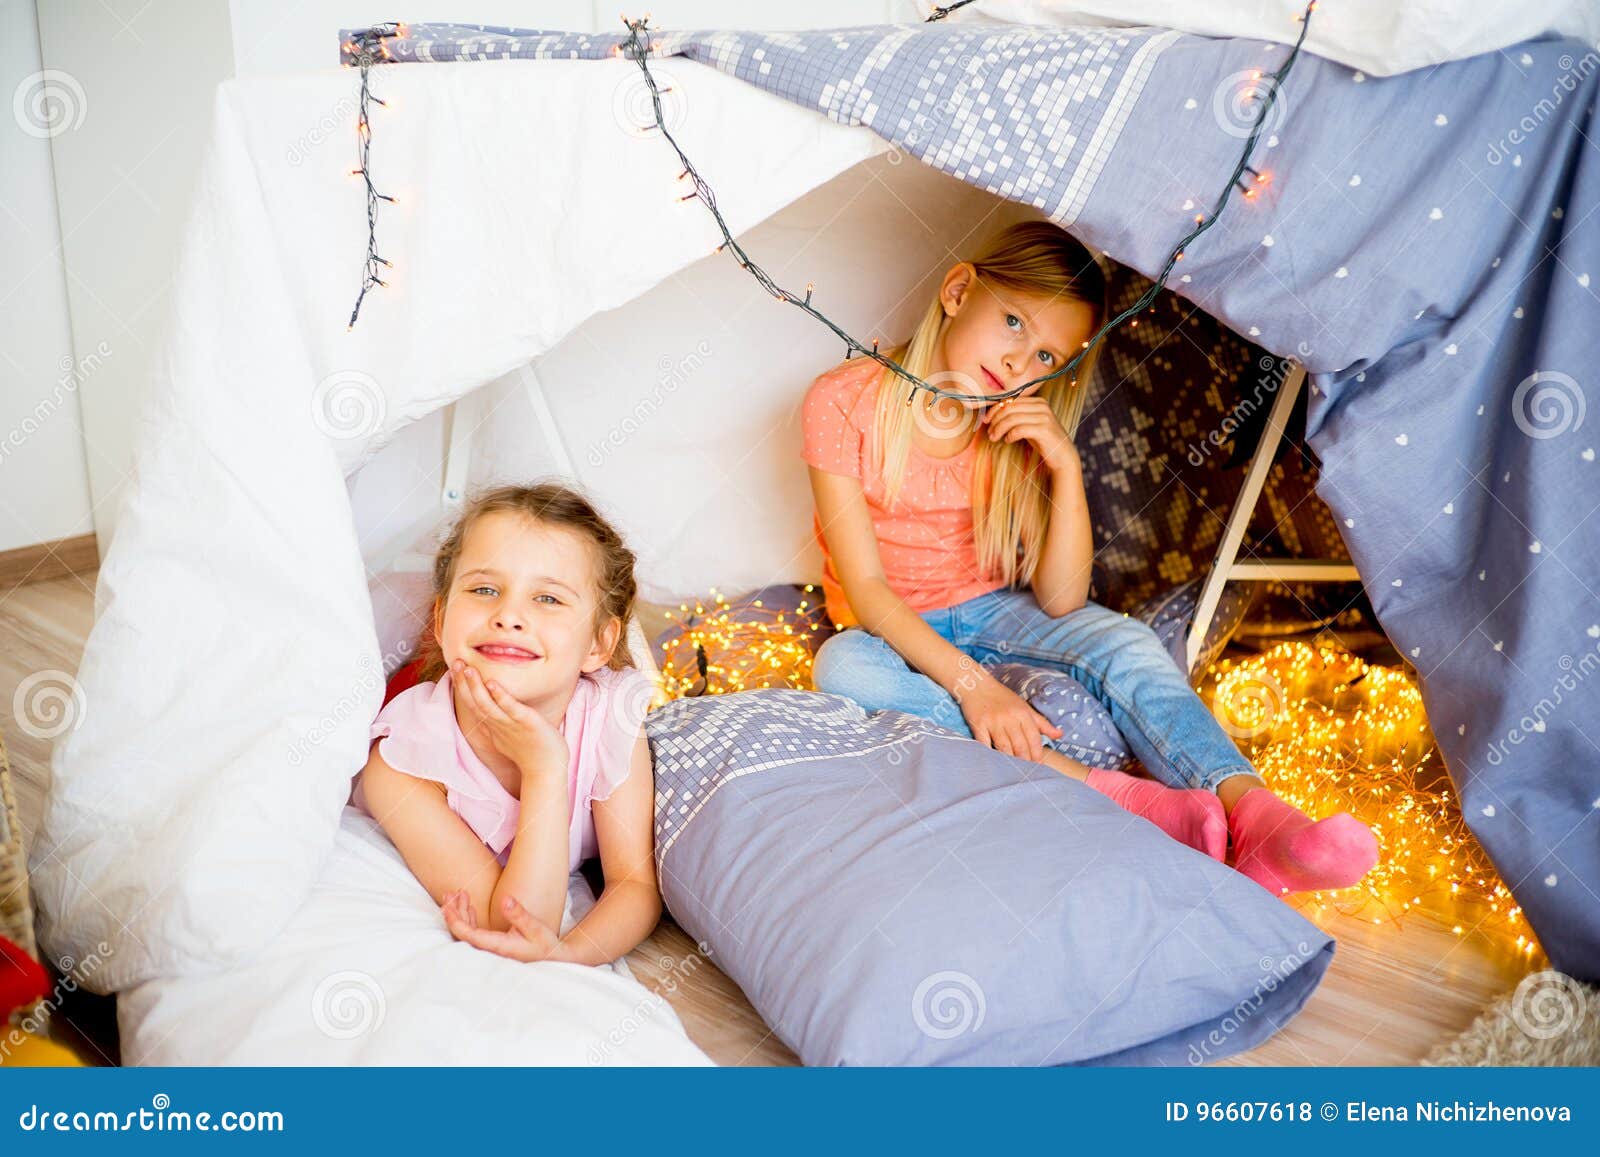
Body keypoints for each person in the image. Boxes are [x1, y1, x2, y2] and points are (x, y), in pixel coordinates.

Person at [802, 220, 1378, 895]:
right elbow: (867, 589)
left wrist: (1064, 467)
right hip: (890, 632)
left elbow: (1062, 600)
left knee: (1126, 639)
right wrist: (975, 687)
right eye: (1014, 322)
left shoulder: (1013, 424)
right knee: (842, 669)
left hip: (993, 610)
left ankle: (1257, 814)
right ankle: (1126, 798)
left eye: (1048, 356)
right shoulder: (842, 402)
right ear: (959, 291)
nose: (1021, 364)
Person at [351, 482, 663, 961]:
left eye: (549, 599)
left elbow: (634, 883)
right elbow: (515, 923)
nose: (509, 615)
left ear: (598, 644)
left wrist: (569, 957)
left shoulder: (610, 715)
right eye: (484, 589)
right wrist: (544, 769)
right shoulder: (400, 763)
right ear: (441, 620)